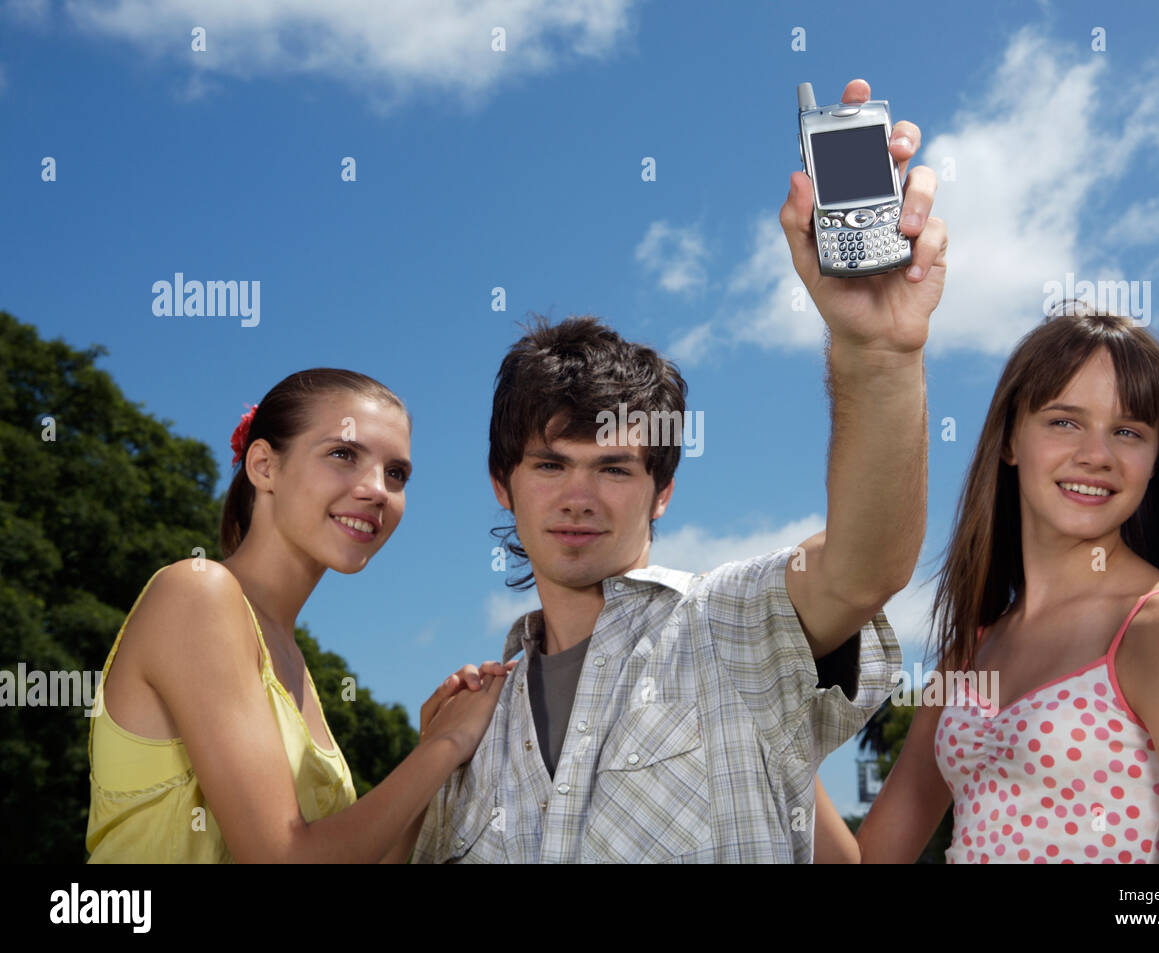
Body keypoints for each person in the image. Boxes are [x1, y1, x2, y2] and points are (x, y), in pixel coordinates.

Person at [411, 76, 947, 863]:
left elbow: (862, 569)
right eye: (550, 464)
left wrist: (879, 352)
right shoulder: (470, 722)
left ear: (663, 491)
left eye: (616, 469)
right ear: (503, 483)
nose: (579, 496)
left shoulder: (731, 625)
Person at [856, 305, 1159, 863]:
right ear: (1010, 440)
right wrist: (773, 739)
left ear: (1156, 459)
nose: (1096, 455)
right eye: (1064, 421)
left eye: (1127, 431)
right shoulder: (967, 654)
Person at [86, 368, 512, 863]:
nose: (377, 490)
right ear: (264, 466)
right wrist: (448, 744)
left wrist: (432, 750)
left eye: (396, 473)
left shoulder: (292, 663)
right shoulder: (196, 593)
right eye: (343, 454)